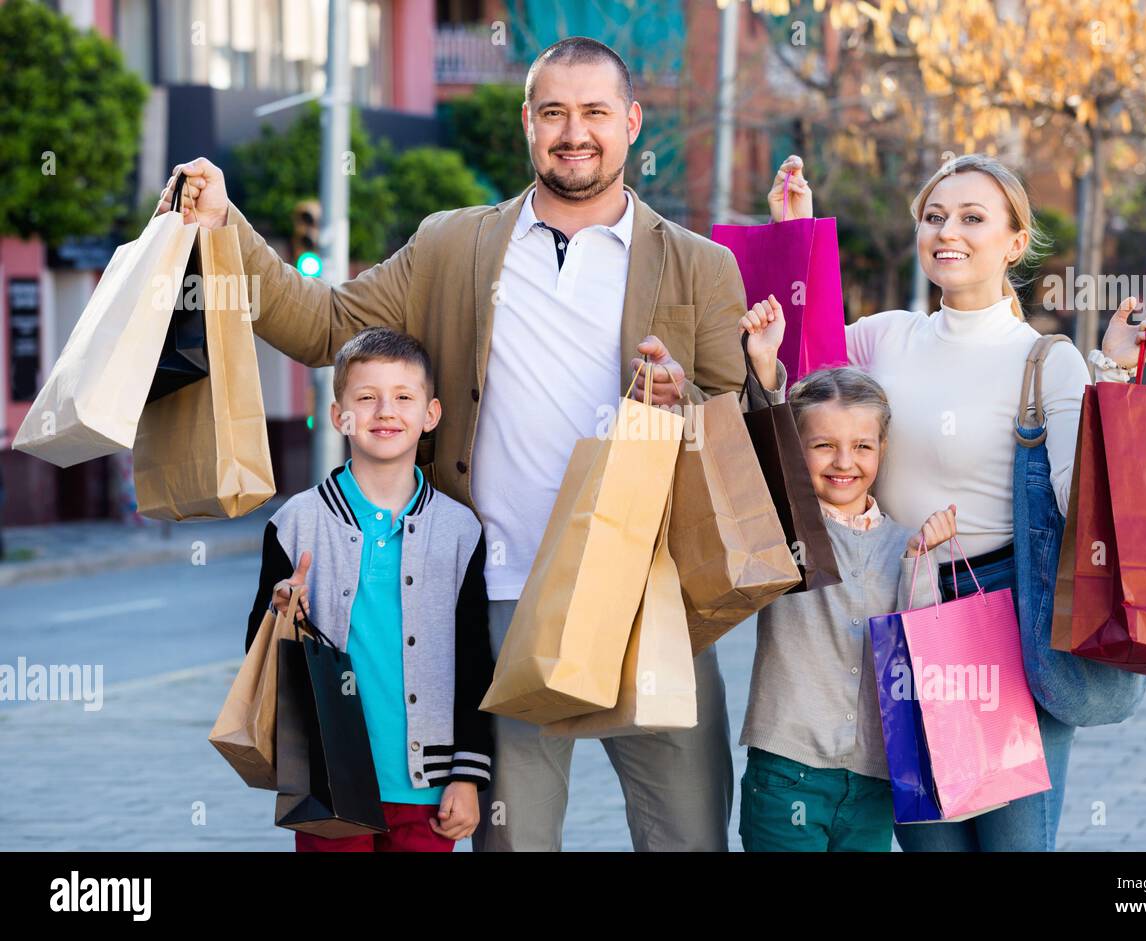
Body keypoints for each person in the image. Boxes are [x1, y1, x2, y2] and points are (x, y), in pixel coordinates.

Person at [162, 37, 784, 852]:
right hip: (496, 598)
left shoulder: (700, 266)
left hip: (647, 601)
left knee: (689, 836)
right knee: (513, 841)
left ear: (631, 122)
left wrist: (684, 400)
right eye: (554, 112)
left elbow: (733, 426)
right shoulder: (453, 245)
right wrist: (228, 228)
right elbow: (327, 327)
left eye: (595, 111)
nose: (575, 132)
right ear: (528, 122)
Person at [745, 153, 1146, 851]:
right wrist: (794, 233)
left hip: (1006, 621)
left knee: (1012, 844)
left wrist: (1115, 373)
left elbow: (1085, 504)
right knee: (929, 845)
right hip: (902, 610)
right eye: (935, 216)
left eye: (972, 217)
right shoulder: (884, 336)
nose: (948, 230)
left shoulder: (1046, 360)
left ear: (1014, 243)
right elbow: (798, 369)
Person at [248, 327, 492, 851]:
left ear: (430, 415)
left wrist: (468, 776)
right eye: (366, 397)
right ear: (340, 416)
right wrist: (282, 612)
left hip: (426, 786)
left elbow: (474, 660)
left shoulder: (459, 531)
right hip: (328, 778)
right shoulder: (296, 523)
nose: (386, 411)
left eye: (403, 397)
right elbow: (257, 652)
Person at [731, 328, 956, 851]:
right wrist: (765, 370)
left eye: (861, 446)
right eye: (823, 446)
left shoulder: (904, 540)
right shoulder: (788, 528)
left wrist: (920, 561)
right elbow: (765, 458)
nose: (844, 463)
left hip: (874, 781)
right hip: (788, 772)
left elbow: (919, 644)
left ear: (882, 448)